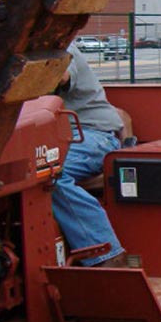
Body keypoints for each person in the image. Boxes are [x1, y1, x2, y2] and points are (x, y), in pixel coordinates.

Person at [53, 44, 127, 267]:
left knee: (50, 175)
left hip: (91, 133)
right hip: (52, 137)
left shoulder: (59, 45)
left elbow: (60, 76)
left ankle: (106, 253)